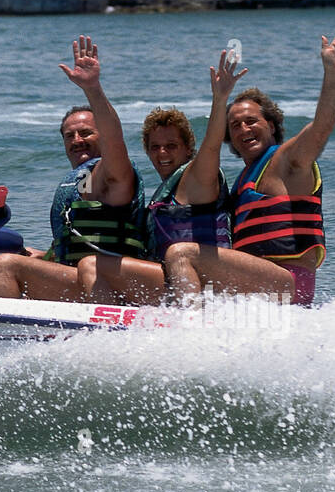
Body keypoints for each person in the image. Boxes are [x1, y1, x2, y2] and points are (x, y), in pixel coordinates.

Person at [164, 23, 335, 307]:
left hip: (287, 281)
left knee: (181, 255)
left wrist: (333, 74)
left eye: (251, 121)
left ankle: (191, 329)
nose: (244, 129)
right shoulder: (246, 177)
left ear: (270, 125)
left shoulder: (286, 161)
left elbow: (320, 129)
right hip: (258, 286)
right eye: (235, 126)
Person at [77, 48, 248, 304]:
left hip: (207, 283)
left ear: (188, 149)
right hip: (176, 282)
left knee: (92, 266)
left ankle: (106, 333)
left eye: (171, 145)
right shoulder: (165, 193)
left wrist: (220, 99)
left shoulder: (197, 179)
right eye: (155, 147)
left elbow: (212, 146)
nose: (163, 153)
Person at [0, 35, 146, 301]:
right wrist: (42, 256)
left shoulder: (110, 175)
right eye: (69, 136)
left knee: (6, 266)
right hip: (83, 282)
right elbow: (78, 242)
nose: (77, 140)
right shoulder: (79, 183)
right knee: (17, 259)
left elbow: (114, 141)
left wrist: (92, 89)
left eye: (86, 133)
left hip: (114, 288)